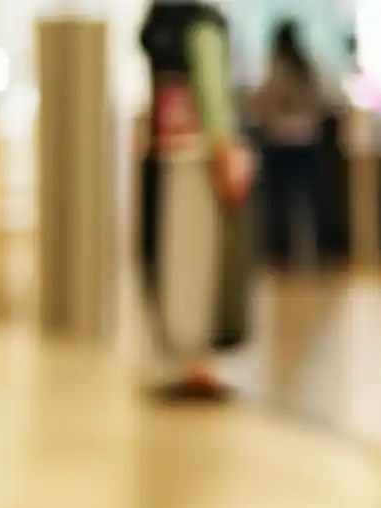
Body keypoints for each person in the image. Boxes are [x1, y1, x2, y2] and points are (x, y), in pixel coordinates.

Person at [139, 0, 255, 400]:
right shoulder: (202, 26)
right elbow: (213, 91)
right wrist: (226, 150)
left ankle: (191, 360)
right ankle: (197, 363)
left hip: (171, 149)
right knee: (198, 256)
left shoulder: (161, 24)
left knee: (179, 254)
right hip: (200, 155)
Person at [254, 21, 325, 267]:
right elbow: (319, 102)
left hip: (283, 142)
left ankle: (283, 253)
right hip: (307, 140)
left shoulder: (278, 68)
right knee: (306, 199)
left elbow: (265, 103)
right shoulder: (308, 68)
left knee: (281, 201)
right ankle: (307, 251)